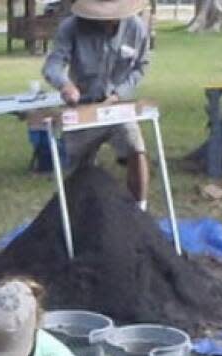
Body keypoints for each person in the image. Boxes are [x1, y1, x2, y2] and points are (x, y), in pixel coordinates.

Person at [42, 0, 151, 209]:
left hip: (116, 107)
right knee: (78, 171)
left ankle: (140, 210)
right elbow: (53, 65)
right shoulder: (71, 27)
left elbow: (141, 66)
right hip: (83, 109)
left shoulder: (136, 28)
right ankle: (78, 216)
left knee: (136, 149)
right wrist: (65, 85)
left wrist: (120, 92)